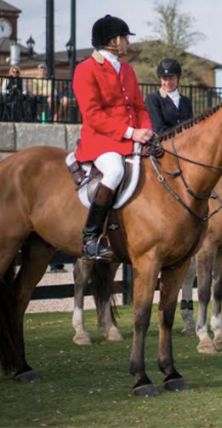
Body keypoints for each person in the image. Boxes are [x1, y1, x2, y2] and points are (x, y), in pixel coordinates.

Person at [72, 15, 153, 260]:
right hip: (100, 141)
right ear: (113, 40)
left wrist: (146, 131)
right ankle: (91, 237)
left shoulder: (126, 69)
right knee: (115, 171)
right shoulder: (85, 69)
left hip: (131, 138)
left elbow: (139, 107)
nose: (127, 42)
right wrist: (131, 132)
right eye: (125, 38)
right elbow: (93, 115)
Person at [144, 58, 194, 135]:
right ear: (160, 79)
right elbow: (158, 129)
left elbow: (191, 127)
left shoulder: (186, 101)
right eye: (164, 79)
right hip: (163, 144)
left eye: (171, 78)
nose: (167, 82)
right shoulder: (153, 99)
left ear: (178, 78)